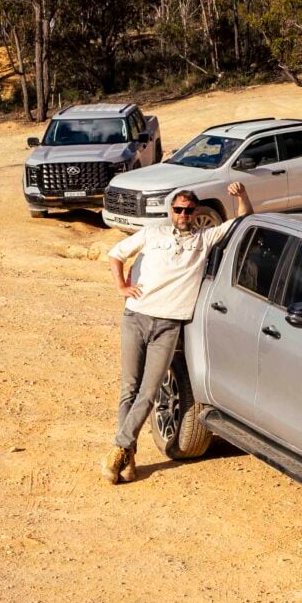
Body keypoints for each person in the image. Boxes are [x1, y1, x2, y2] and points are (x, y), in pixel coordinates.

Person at [100, 181, 251, 484]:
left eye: (189, 210)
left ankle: (120, 447)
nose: (183, 214)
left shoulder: (204, 239)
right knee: (129, 387)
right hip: (137, 317)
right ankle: (128, 454)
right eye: (179, 209)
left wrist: (242, 197)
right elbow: (116, 254)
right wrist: (121, 286)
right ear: (171, 210)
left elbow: (242, 221)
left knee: (149, 391)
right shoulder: (153, 232)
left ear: (196, 213)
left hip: (169, 325)